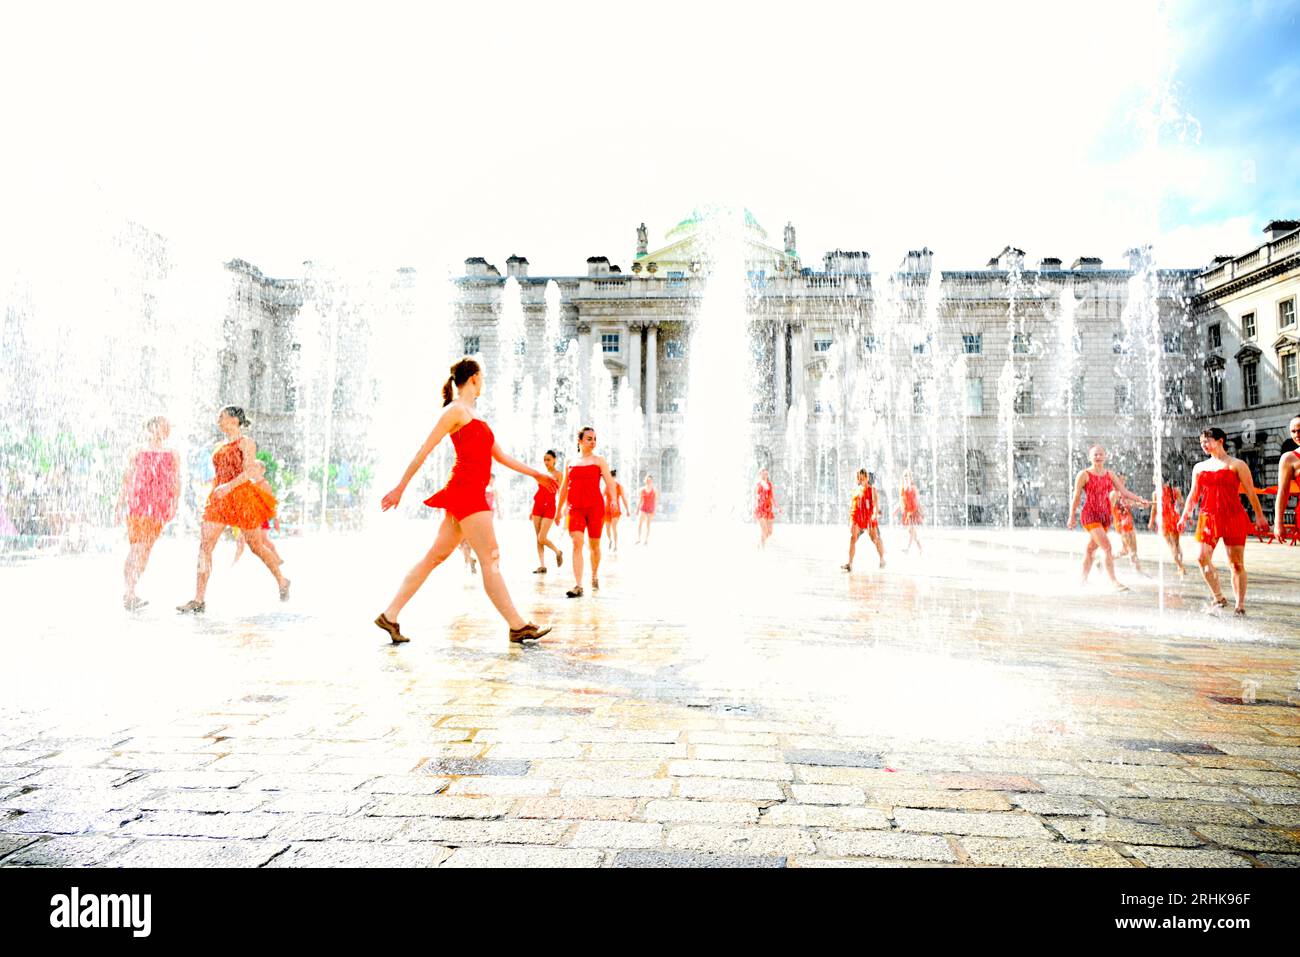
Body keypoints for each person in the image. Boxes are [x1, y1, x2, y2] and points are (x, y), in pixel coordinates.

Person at [374, 358, 556, 644]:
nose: (483, 382)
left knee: (435, 556)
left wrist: (537, 475)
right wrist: (400, 487)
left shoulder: (475, 415)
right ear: (473, 377)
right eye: (481, 377)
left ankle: (390, 615)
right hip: (466, 492)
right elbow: (425, 449)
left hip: (467, 492)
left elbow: (501, 456)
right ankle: (517, 625)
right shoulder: (455, 411)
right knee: (491, 557)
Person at [177, 407, 287, 613]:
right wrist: (214, 486)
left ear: (234, 420)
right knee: (205, 545)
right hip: (219, 499)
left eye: (222, 417)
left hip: (241, 498)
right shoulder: (219, 446)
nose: (218, 420)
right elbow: (221, 472)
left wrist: (228, 486)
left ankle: (281, 580)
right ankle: (199, 599)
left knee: (256, 546)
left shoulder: (247, 443)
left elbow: (248, 471)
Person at [1178, 427, 1269, 615]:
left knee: (1236, 563)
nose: (1204, 445)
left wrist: (1260, 516)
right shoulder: (1200, 467)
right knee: (1202, 557)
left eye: (1207, 440)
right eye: (1201, 441)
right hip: (1208, 516)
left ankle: (1240, 605)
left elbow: (1251, 493)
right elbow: (1193, 495)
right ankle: (1218, 596)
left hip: (1233, 516)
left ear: (1221, 441)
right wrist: (1184, 516)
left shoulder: (1237, 464)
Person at [116, 416, 180, 610]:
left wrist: (174, 503)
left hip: (159, 505)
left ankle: (131, 590)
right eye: (163, 426)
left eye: (168, 426)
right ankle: (128, 592)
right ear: (151, 428)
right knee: (137, 546)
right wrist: (119, 503)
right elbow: (126, 478)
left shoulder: (173, 453)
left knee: (145, 549)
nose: (167, 430)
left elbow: (176, 480)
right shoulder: (136, 450)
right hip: (139, 502)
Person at [1066, 445, 1147, 591]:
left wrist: (1140, 499)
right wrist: (1072, 516)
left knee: (1090, 549)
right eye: (1095, 454)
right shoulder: (1083, 474)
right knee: (1107, 547)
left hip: (1105, 517)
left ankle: (1082, 580)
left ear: (1105, 456)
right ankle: (1114, 582)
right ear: (1090, 457)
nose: (1098, 457)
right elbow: (1076, 497)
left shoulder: (1110, 474)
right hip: (1090, 515)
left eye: (1100, 454)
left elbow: (1124, 491)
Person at [555, 426, 615, 597]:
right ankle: (578, 585)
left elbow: (610, 482)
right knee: (577, 543)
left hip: (595, 508)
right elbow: (564, 487)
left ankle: (594, 575)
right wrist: (558, 510)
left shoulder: (599, 460)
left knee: (595, 546)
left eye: (595, 438)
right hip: (575, 509)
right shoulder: (570, 462)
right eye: (589, 438)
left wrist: (614, 501)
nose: (593, 442)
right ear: (579, 441)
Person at [232, 460, 283, 567]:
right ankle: (234, 563)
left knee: (263, 541)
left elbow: (271, 504)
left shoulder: (265, 485)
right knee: (242, 541)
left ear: (262, 470)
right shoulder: (251, 484)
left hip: (259, 518)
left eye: (256, 467)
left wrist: (276, 520)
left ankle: (277, 559)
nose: (253, 469)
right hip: (250, 518)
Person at [842, 468, 884, 571]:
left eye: (862, 478)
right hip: (858, 519)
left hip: (869, 518)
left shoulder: (872, 490)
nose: (860, 481)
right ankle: (850, 564)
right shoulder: (856, 491)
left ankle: (882, 559)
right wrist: (850, 520)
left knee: (875, 539)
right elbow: (853, 505)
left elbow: (875, 504)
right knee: (853, 538)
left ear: (867, 478)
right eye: (859, 479)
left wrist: (875, 514)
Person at [531, 450, 564, 574]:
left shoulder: (559, 474)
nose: (546, 462)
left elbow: (561, 493)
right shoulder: (541, 474)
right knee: (537, 538)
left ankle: (557, 551)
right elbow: (539, 492)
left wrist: (561, 511)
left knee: (542, 537)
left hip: (550, 507)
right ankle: (542, 565)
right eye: (544, 459)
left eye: (548, 459)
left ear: (555, 460)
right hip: (537, 506)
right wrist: (531, 510)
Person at [1149, 480, 1186, 575]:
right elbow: (1182, 503)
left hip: (1164, 520)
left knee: (1171, 546)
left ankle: (1180, 566)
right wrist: (1186, 517)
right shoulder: (1174, 490)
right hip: (1174, 518)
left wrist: (1151, 522)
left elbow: (1154, 509)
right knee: (1177, 545)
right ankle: (1180, 566)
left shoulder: (1156, 493)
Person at [1274, 415, 1300, 544]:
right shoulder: (1289, 458)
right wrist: (1278, 522)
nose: (1297, 435)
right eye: (1293, 431)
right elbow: (1283, 492)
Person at [1109, 489, 1144, 575]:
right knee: (1131, 550)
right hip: (1122, 525)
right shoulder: (1113, 493)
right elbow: (1113, 505)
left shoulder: (1123, 492)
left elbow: (1132, 502)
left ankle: (1104, 561)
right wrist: (1129, 502)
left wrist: (1141, 503)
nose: (1124, 480)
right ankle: (1139, 572)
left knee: (1126, 550)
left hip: (1129, 523)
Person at [892, 469, 924, 554]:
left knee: (911, 529)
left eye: (908, 475)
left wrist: (920, 510)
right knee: (912, 531)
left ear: (911, 477)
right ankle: (920, 548)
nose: (906, 477)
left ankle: (908, 548)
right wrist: (896, 510)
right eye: (905, 475)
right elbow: (901, 501)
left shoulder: (913, 487)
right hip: (907, 511)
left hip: (913, 510)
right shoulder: (902, 487)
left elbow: (917, 499)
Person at [605, 468, 630, 552]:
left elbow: (624, 498)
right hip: (607, 509)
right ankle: (610, 540)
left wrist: (627, 509)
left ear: (614, 477)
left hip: (615, 510)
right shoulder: (607, 486)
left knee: (613, 526)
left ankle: (615, 545)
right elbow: (601, 496)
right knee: (607, 528)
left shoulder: (619, 487)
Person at [753, 468, 776, 549]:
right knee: (765, 531)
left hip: (768, 509)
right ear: (760, 475)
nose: (765, 475)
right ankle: (762, 548)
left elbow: (772, 497)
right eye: (763, 474)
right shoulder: (758, 485)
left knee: (770, 532)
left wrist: (777, 507)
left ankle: (759, 543)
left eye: (766, 474)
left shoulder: (769, 484)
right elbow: (755, 498)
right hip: (760, 509)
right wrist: (754, 509)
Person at [635, 474, 657, 545]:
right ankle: (638, 538)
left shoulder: (655, 490)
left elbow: (656, 501)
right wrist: (637, 509)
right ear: (645, 481)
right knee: (640, 523)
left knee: (648, 525)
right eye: (647, 480)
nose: (648, 481)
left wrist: (655, 510)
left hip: (651, 509)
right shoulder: (642, 490)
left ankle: (646, 539)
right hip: (643, 508)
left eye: (650, 480)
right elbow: (640, 500)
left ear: (652, 481)